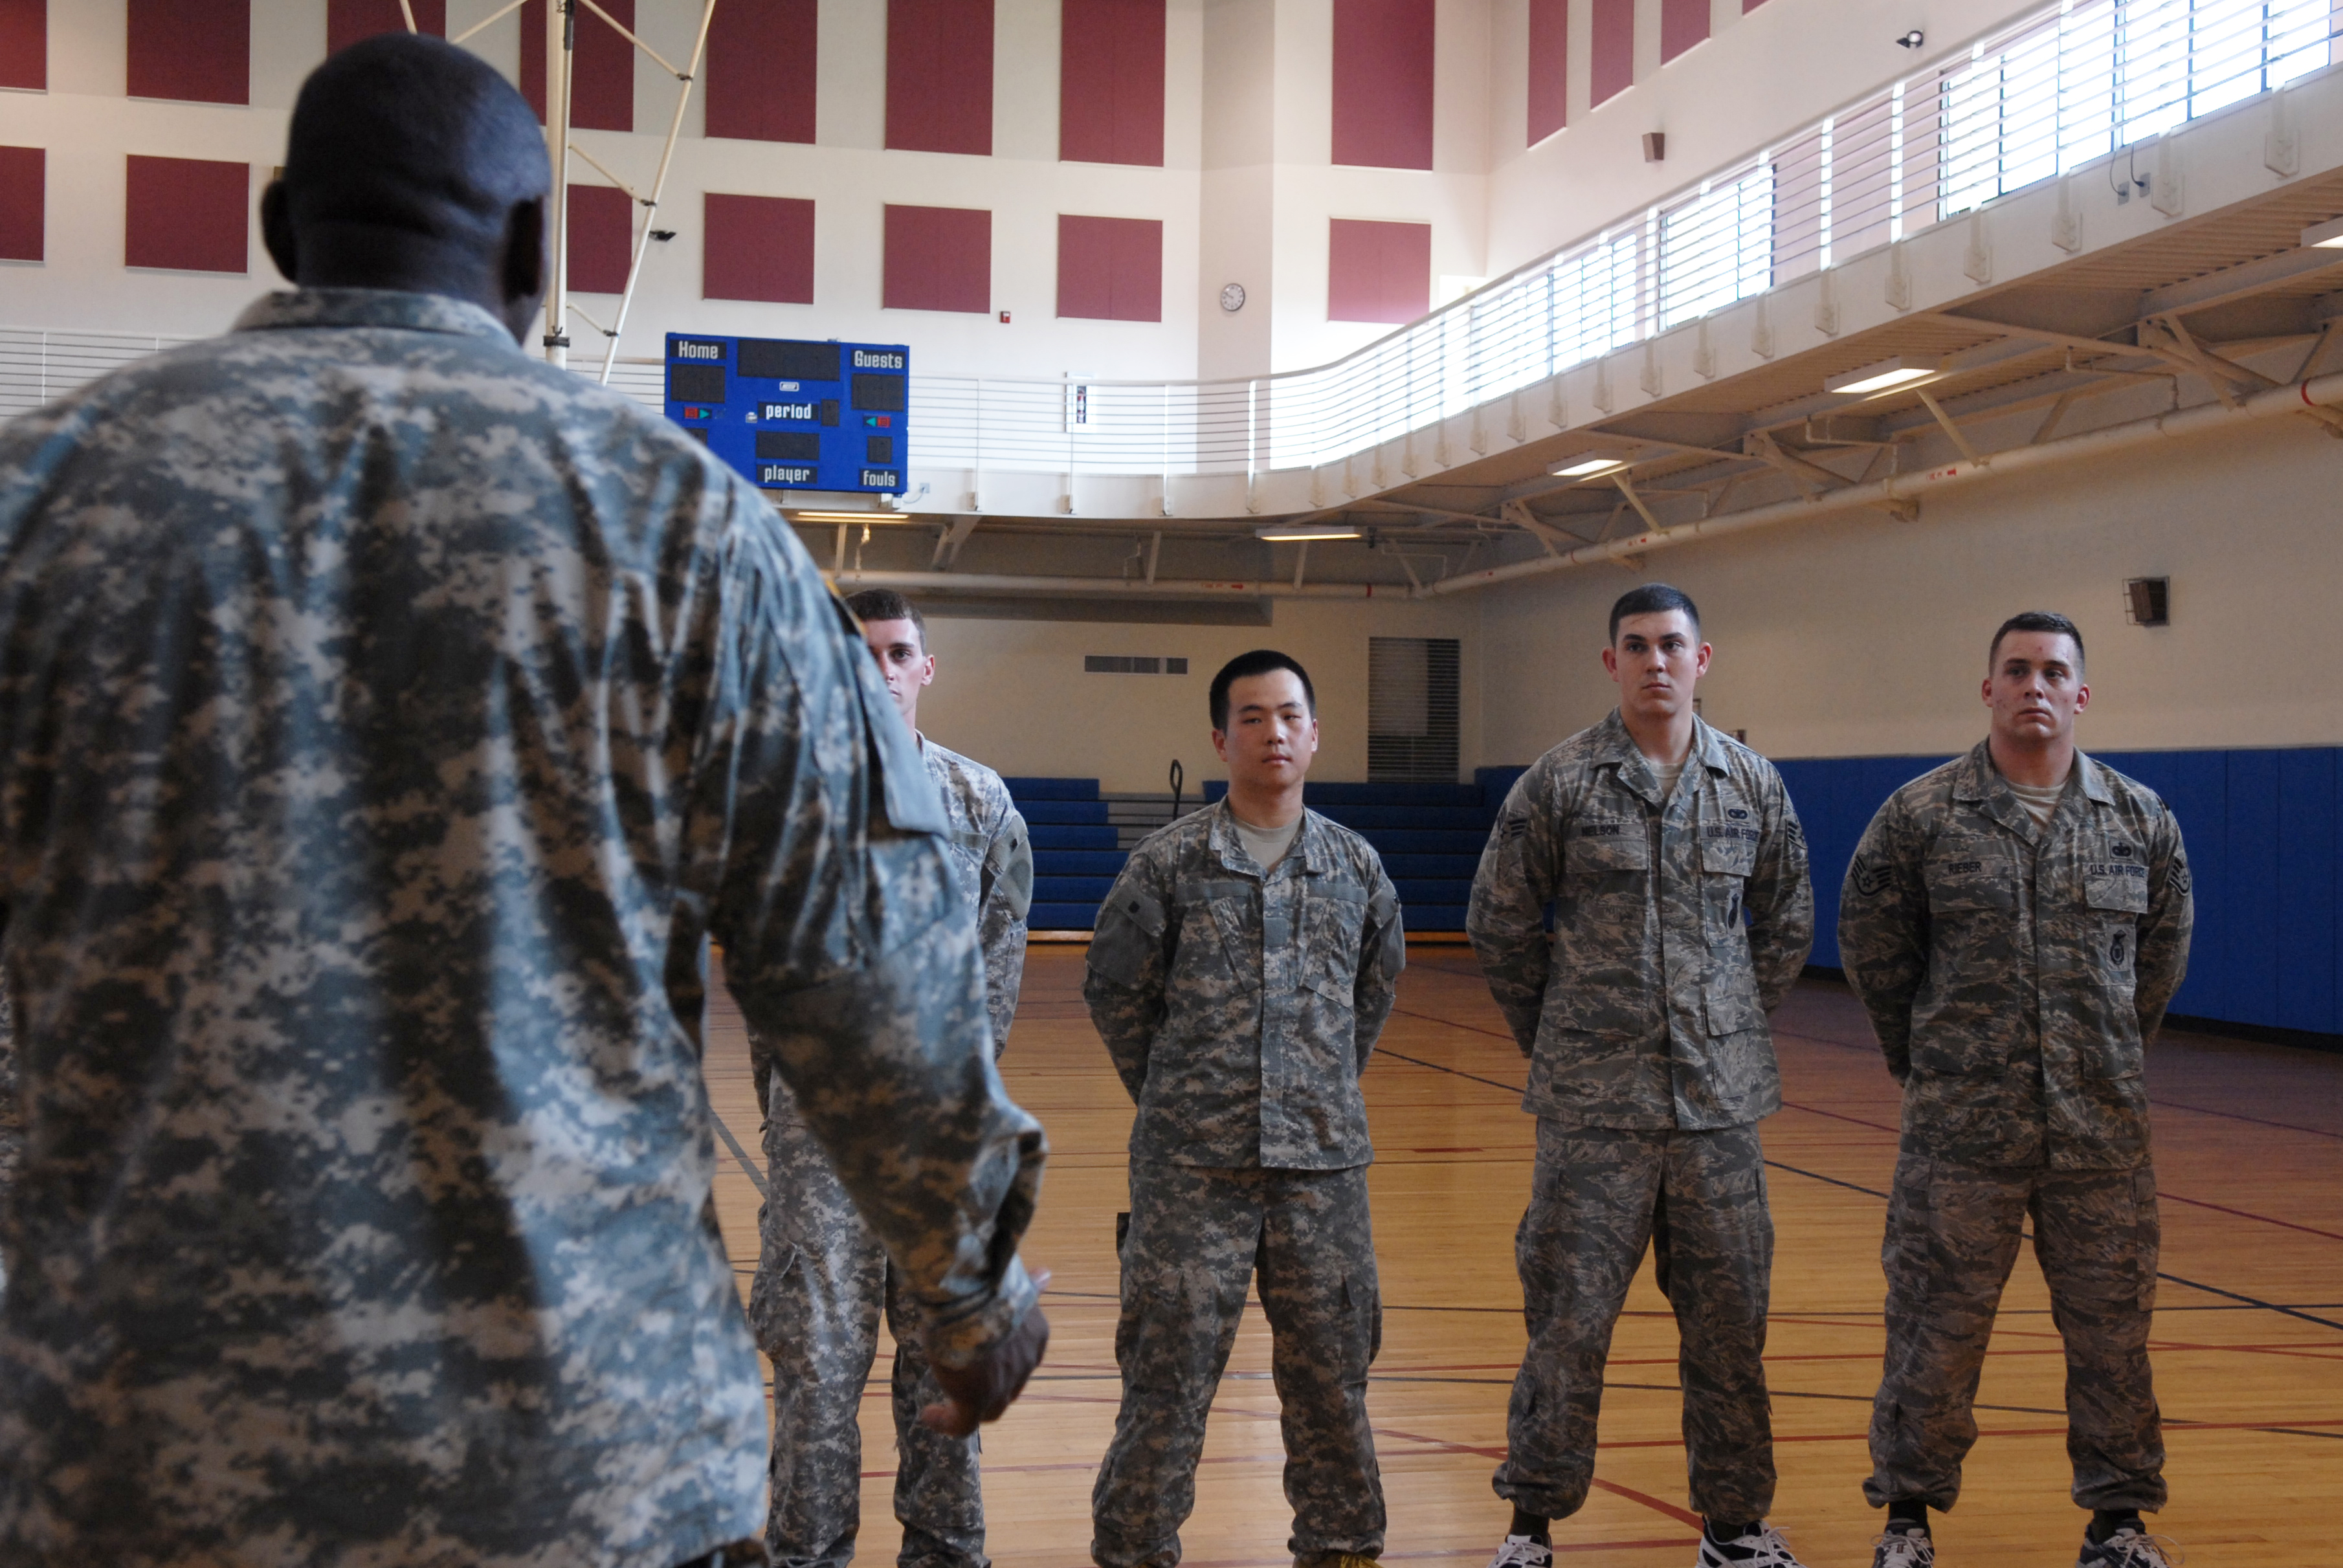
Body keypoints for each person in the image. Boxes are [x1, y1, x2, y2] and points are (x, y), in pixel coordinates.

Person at [0, 35, 1047, 1567]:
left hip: (136, 1466)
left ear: (284, 227)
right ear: (536, 252)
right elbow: (868, 966)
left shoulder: (47, 500)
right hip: (584, 1469)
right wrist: (971, 1285)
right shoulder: (684, 524)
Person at [1467, 584, 1814, 1568]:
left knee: (1730, 1329)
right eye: (1636, 646)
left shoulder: (1751, 786)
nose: (1656, 662)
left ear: (1705, 661)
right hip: (1593, 1115)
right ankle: (1532, 1526)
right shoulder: (1561, 784)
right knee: (1566, 1327)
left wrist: (1733, 1025)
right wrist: (1561, 1037)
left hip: (1719, 1116)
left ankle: (1736, 1527)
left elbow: (1787, 919)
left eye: (1673, 646)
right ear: (1609, 662)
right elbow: (1499, 920)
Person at [1839, 612, 2191, 1568]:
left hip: (2102, 1138)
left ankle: (2118, 1523)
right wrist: (1931, 1058)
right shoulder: (1922, 816)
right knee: (1932, 1332)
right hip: (1961, 1134)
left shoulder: (2140, 820)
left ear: (2082, 693)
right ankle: (1908, 1519)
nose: (2035, 686)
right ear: (1987, 689)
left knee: (2113, 1338)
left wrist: (2105, 1055)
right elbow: (1876, 950)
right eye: (2017, 670)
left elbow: (2155, 965)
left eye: (2055, 672)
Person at [1084, 650, 1406, 1568]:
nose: (1274, 733)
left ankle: (1341, 1548)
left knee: (1333, 1387)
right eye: (1253, 717)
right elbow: (1117, 997)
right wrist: (1183, 1098)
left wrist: (1319, 1090)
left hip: (1322, 1175)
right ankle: (1135, 1551)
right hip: (1194, 1177)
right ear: (1221, 739)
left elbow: (1374, 992)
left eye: (1290, 715)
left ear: (1314, 733)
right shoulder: (1171, 863)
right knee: (1166, 1385)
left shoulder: (1356, 867)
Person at [753, 586, 1033, 1568]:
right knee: (817, 1379)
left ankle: (947, 1556)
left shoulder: (979, 802)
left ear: (925, 668)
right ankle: (807, 1554)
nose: (878, 670)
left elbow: (999, 968)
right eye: (858, 653)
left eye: (897, 651)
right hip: (819, 1147)